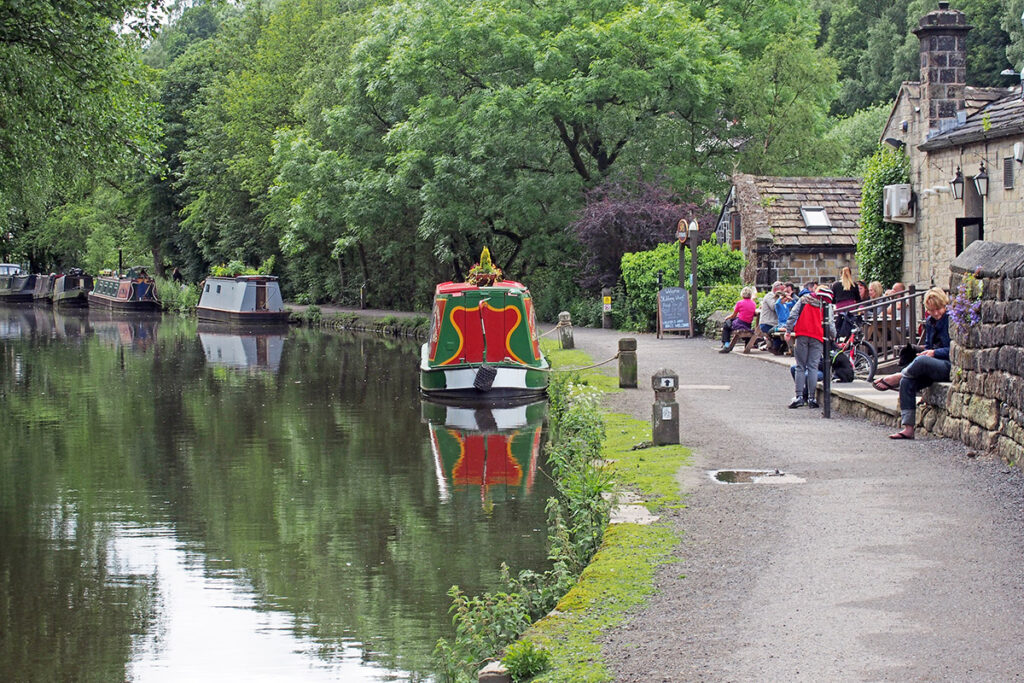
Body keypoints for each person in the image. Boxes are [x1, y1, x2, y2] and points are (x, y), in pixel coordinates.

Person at [872, 288, 951, 439]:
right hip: (933, 364)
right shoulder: (929, 322)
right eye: (931, 310)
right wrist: (928, 351)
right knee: (908, 381)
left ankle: (898, 375)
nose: (936, 313)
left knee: (921, 361)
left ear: (944, 304)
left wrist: (934, 353)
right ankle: (908, 428)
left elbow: (953, 349)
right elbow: (929, 346)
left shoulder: (950, 319)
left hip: (948, 366)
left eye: (938, 309)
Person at [784, 284, 836, 408]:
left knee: (800, 366)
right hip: (818, 337)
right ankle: (812, 398)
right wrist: (833, 335)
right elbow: (831, 323)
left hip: (802, 334)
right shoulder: (826, 304)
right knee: (813, 366)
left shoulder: (804, 300)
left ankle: (799, 397)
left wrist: (788, 330)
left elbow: (793, 315)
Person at [719, 286, 757, 353]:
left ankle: (726, 344)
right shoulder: (753, 304)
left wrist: (727, 317)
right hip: (748, 325)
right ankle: (746, 344)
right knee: (729, 323)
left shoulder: (740, 303)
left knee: (727, 324)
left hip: (740, 323)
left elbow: (733, 315)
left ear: (742, 294)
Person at [758, 281, 783, 352]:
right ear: (775, 289)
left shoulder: (777, 297)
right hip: (768, 323)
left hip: (774, 323)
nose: (783, 293)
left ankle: (775, 347)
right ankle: (774, 348)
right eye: (781, 290)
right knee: (779, 334)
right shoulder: (770, 296)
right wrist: (781, 300)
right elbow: (774, 307)